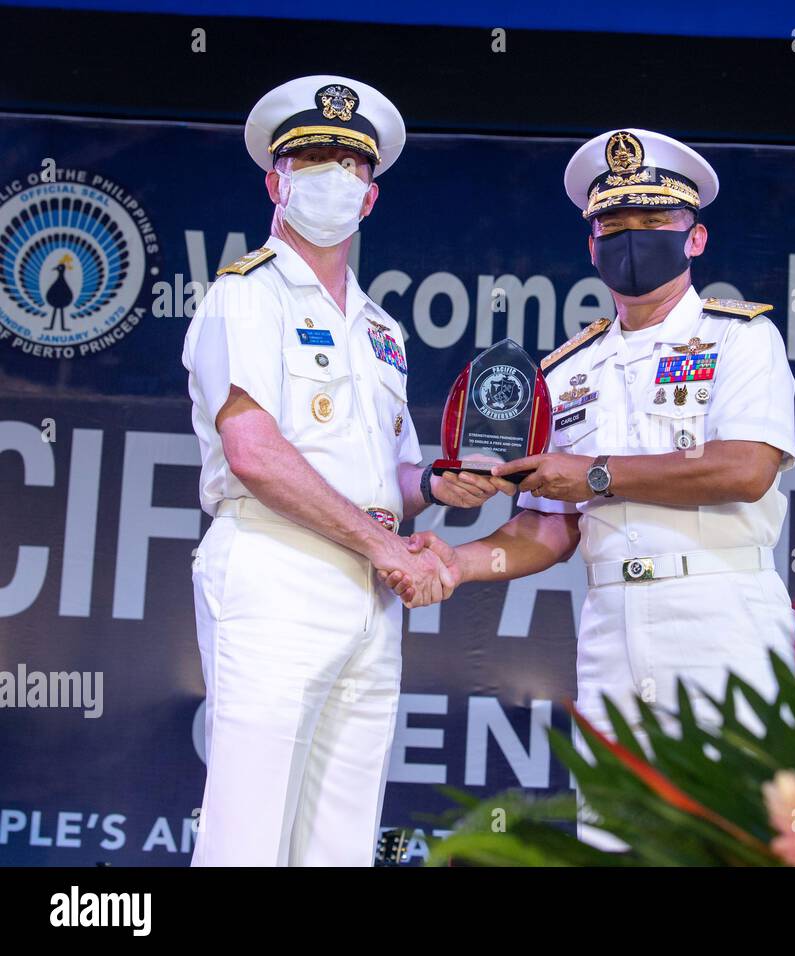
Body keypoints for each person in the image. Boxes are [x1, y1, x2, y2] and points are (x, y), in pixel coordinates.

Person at [398, 128, 795, 845]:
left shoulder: (739, 339)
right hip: (612, 627)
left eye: (653, 223)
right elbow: (546, 528)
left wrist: (598, 475)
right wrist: (454, 563)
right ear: (591, 246)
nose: (632, 239)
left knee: (739, 843)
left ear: (695, 238)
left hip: (723, 618)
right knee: (618, 842)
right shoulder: (565, 372)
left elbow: (745, 469)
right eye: (613, 225)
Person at [182, 75, 503, 866]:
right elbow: (254, 453)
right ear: (276, 181)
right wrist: (389, 548)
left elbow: (389, 474)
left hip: (369, 589)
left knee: (339, 845)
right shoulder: (244, 296)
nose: (331, 176)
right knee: (247, 840)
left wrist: (432, 490)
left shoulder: (383, 328)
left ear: (369, 198)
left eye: (350, 165)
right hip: (276, 569)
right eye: (312, 158)